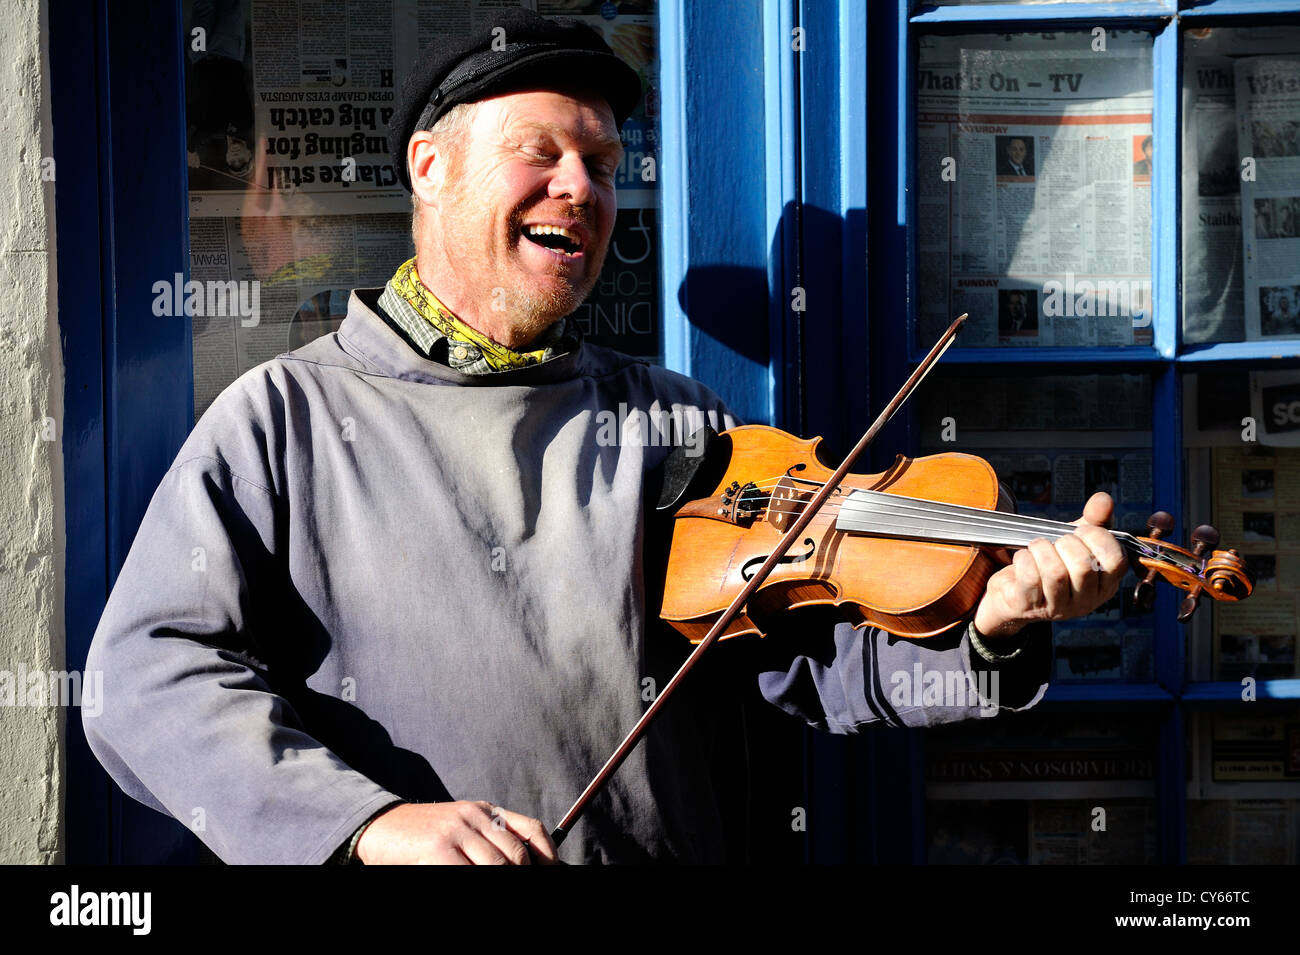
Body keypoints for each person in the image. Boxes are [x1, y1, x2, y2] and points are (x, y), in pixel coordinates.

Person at [83, 11, 1126, 865]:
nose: (581, 187)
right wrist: (363, 822)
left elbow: (813, 670)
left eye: (600, 161)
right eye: (539, 153)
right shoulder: (285, 418)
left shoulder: (682, 425)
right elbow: (142, 683)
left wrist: (988, 628)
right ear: (429, 168)